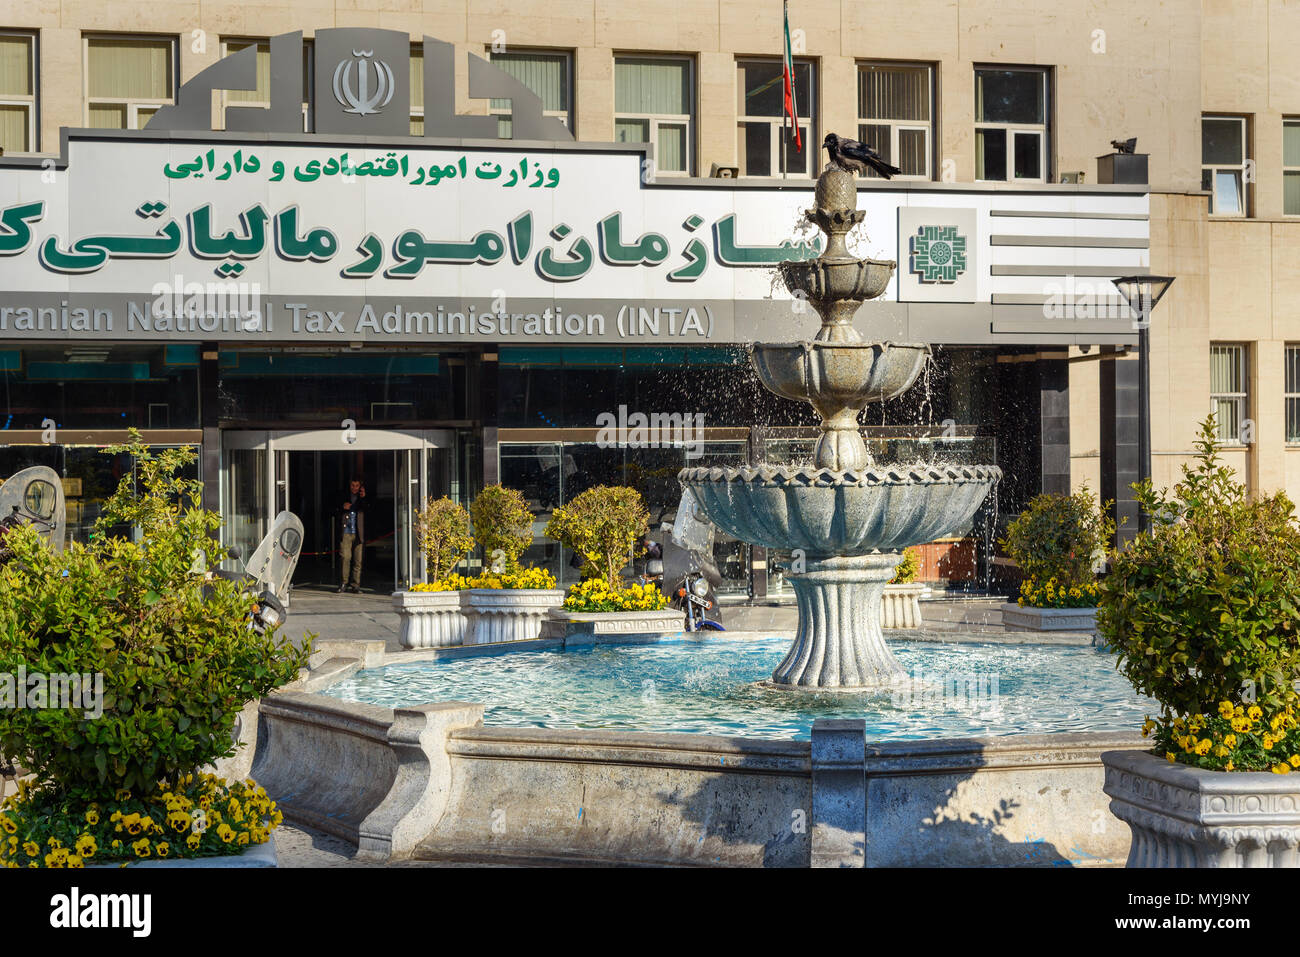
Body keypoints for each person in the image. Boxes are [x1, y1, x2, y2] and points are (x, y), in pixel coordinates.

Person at [336, 475, 368, 593]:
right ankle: (344, 583)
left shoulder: (363, 497)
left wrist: (364, 497)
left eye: (357, 486)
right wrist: (342, 507)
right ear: (349, 485)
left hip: (359, 532)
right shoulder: (343, 496)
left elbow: (368, 509)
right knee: (345, 557)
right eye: (353, 485)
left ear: (360, 486)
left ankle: (356, 585)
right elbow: (335, 508)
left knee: (358, 560)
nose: (355, 488)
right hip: (346, 532)